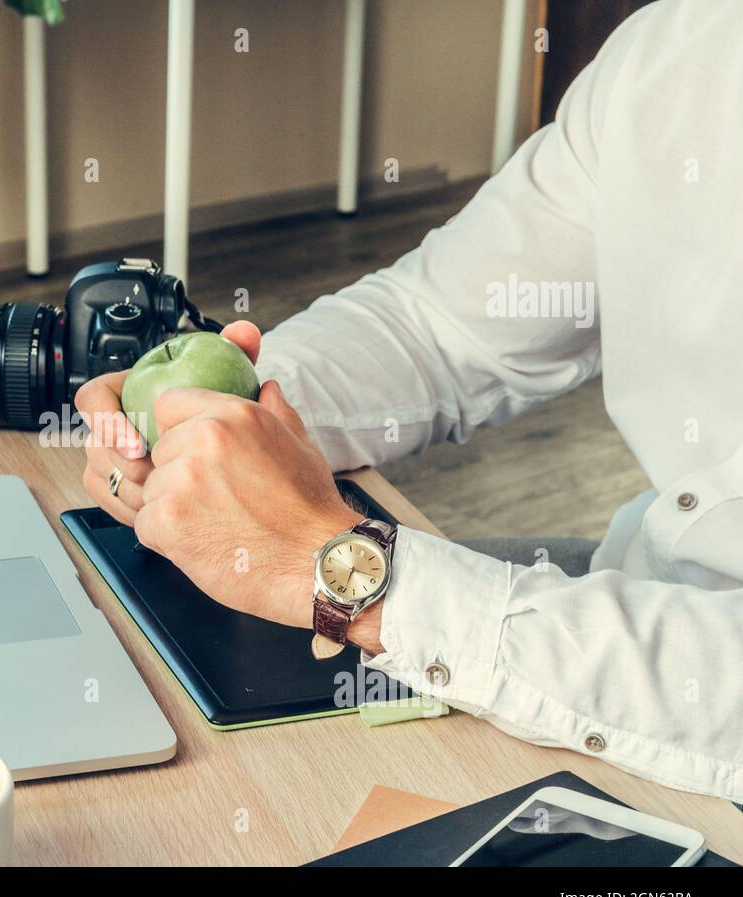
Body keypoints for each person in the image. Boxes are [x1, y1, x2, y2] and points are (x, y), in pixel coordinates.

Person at [74, 0, 741, 802]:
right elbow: (437, 324)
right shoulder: (683, 48)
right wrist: (222, 419)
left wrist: (354, 578)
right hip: (643, 590)